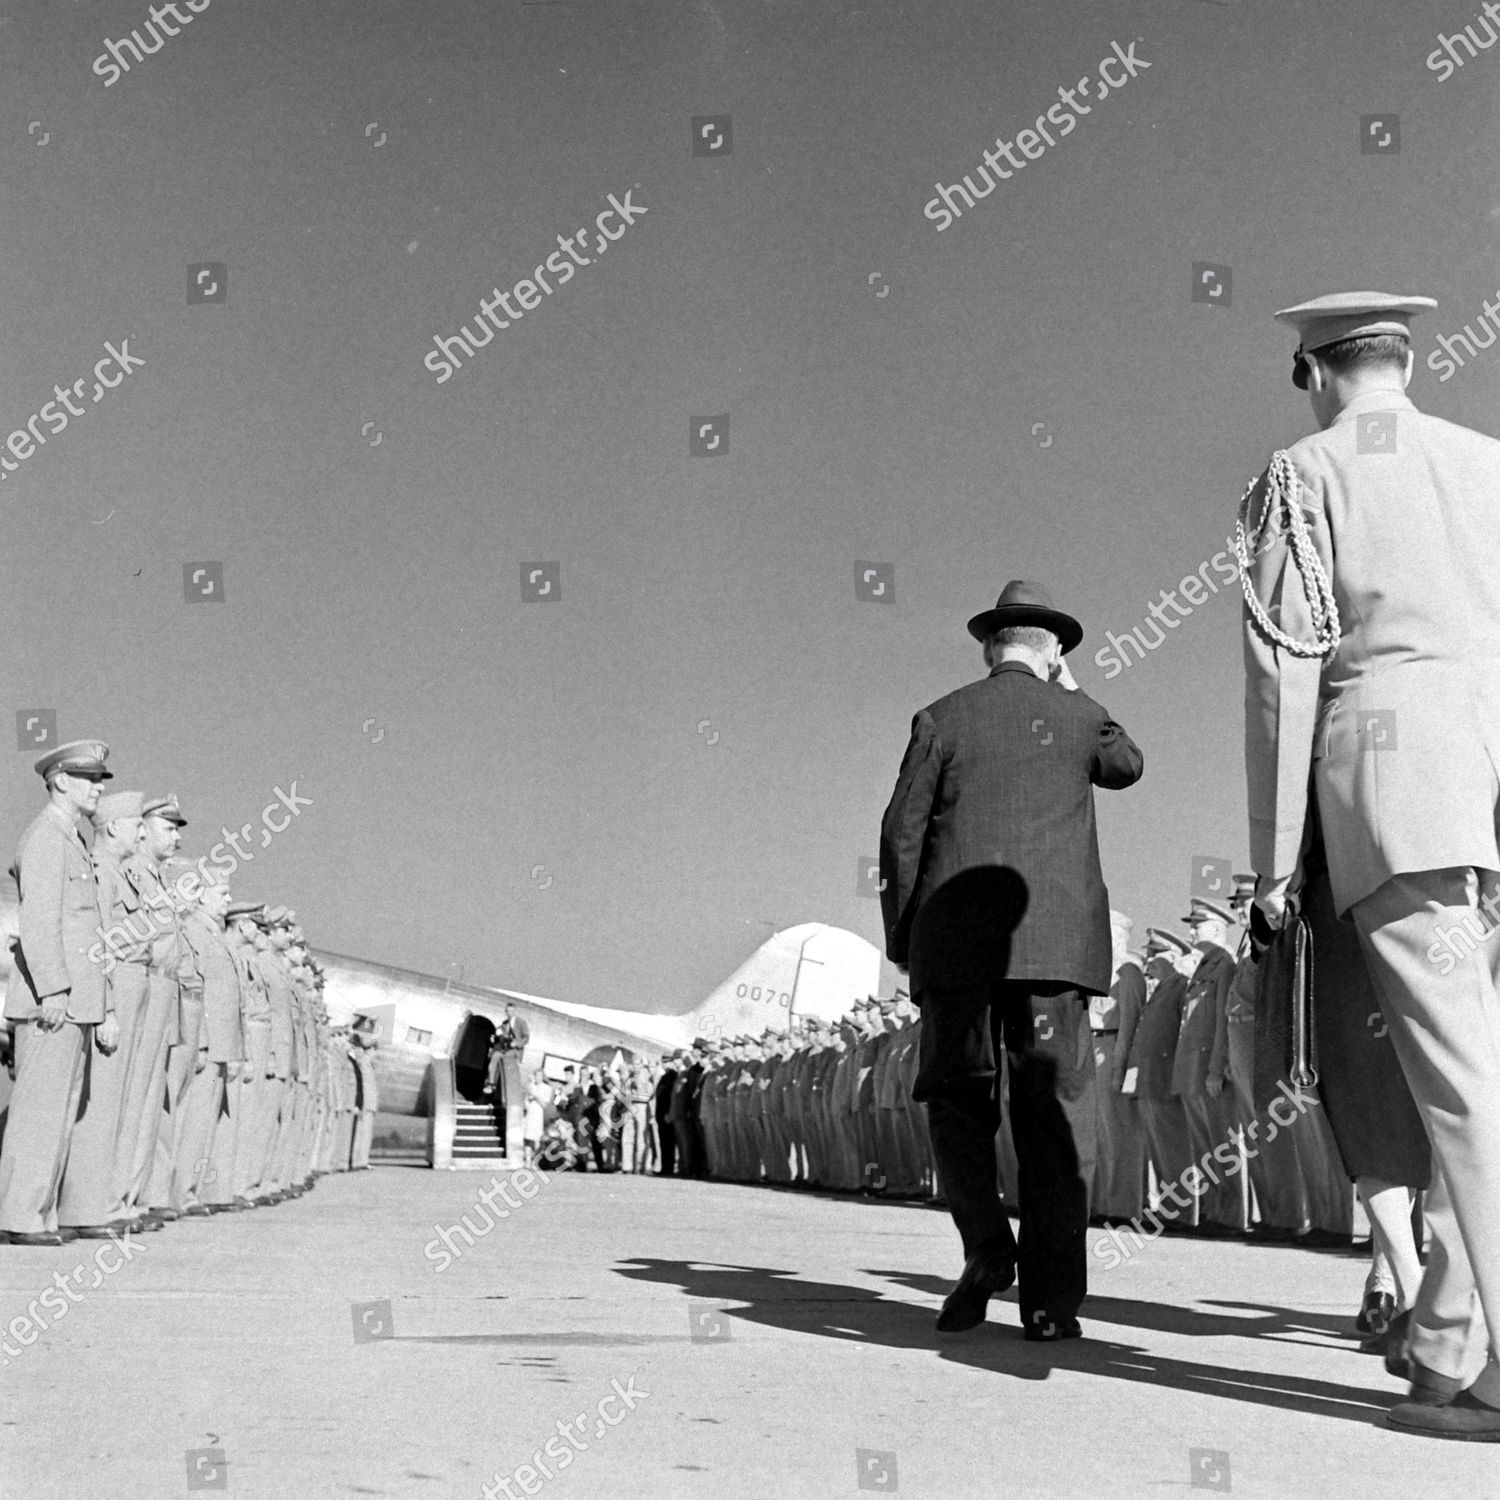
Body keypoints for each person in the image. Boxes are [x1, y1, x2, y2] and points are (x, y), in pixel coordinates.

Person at [1240, 290, 1500, 1437]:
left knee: (1462, 1089)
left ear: (1312, 373)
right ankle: (1444, 1340)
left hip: (1396, 799)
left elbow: (1283, 680)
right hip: (1486, 787)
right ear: (1407, 363)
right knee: (1475, 1077)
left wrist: (1271, 865)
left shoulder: (1303, 476)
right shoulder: (1489, 465)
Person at [879, 579, 1143, 1337]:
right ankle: (1050, 1306)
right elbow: (1127, 765)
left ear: (989, 649)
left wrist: (907, 939)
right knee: (1054, 1121)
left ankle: (987, 1251)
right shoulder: (1081, 718)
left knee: (958, 1105)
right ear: (1052, 650)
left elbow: (901, 834)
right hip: (1054, 951)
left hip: (956, 951)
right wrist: (1077, 691)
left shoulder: (941, 717)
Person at [0, 741, 117, 1246]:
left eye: (100, 780)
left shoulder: (71, 839)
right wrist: (54, 991)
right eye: (88, 779)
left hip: (74, 1003)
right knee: (39, 1115)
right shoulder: (46, 838)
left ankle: (38, 1215)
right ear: (61, 781)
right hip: (53, 1004)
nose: (97, 789)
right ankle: (18, 1217)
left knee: (58, 1115)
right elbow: (40, 924)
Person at [1090, 911, 1147, 1224]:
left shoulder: (1129, 972)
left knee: (1121, 1134)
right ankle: (1103, 1204)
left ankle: (1124, 1208)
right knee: (1101, 1133)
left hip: (1113, 1048)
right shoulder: (1101, 969)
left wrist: (1120, 1068)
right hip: (1094, 1047)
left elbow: (1130, 1023)